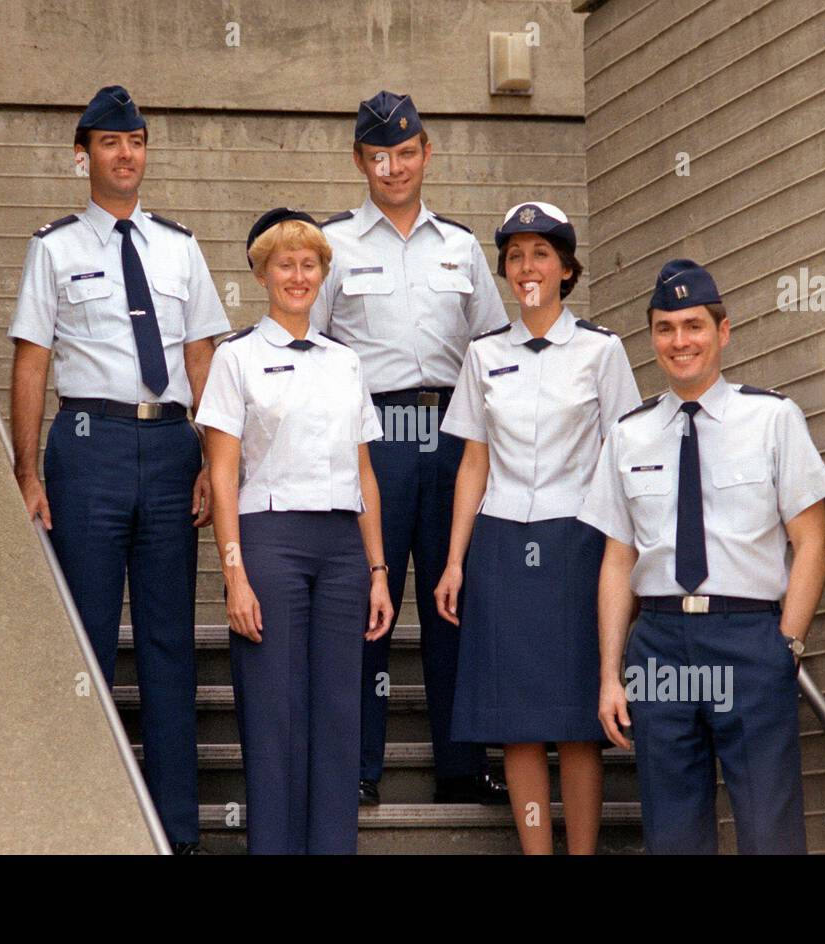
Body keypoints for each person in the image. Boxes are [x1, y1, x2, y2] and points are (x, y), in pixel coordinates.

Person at [7, 85, 231, 855]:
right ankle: (84, 823)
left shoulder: (180, 246)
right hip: (88, 444)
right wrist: (26, 470)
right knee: (90, 640)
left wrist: (211, 456)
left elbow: (203, 356)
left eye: (135, 140)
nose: (125, 153)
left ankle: (177, 832)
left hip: (171, 449)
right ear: (85, 155)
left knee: (169, 643)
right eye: (109, 142)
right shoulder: (55, 247)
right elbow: (32, 360)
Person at [586, 259, 825, 854]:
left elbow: (811, 543)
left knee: (768, 828)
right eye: (666, 328)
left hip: (749, 637)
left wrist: (787, 646)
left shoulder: (772, 419)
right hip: (661, 643)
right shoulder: (629, 433)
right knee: (672, 834)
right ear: (653, 339)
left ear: (722, 332)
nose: (681, 341)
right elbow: (617, 561)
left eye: (694, 326)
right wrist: (609, 676)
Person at [309, 90, 510, 806]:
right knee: (370, 600)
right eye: (378, 155)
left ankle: (462, 766)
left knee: (456, 601)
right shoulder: (333, 246)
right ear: (361, 160)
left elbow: (491, 354)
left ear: (427, 153)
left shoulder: (460, 247)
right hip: (376, 440)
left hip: (453, 437)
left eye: (406, 151)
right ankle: (360, 767)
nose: (393, 167)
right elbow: (314, 352)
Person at [434, 202, 641, 854]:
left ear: (566, 268)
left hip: (577, 543)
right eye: (516, 256)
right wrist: (455, 560)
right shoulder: (483, 354)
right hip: (498, 543)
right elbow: (473, 461)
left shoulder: (601, 351)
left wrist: (626, 552)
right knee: (518, 724)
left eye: (541, 255)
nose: (527, 267)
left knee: (578, 721)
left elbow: (627, 456)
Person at [196, 208, 393, 854]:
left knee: (339, 719)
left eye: (310, 264)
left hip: (342, 550)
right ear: (263, 273)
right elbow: (222, 476)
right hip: (270, 543)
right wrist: (234, 574)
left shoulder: (347, 362)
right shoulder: (237, 358)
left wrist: (379, 571)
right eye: (286, 264)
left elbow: (365, 473)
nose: (299, 275)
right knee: (276, 720)